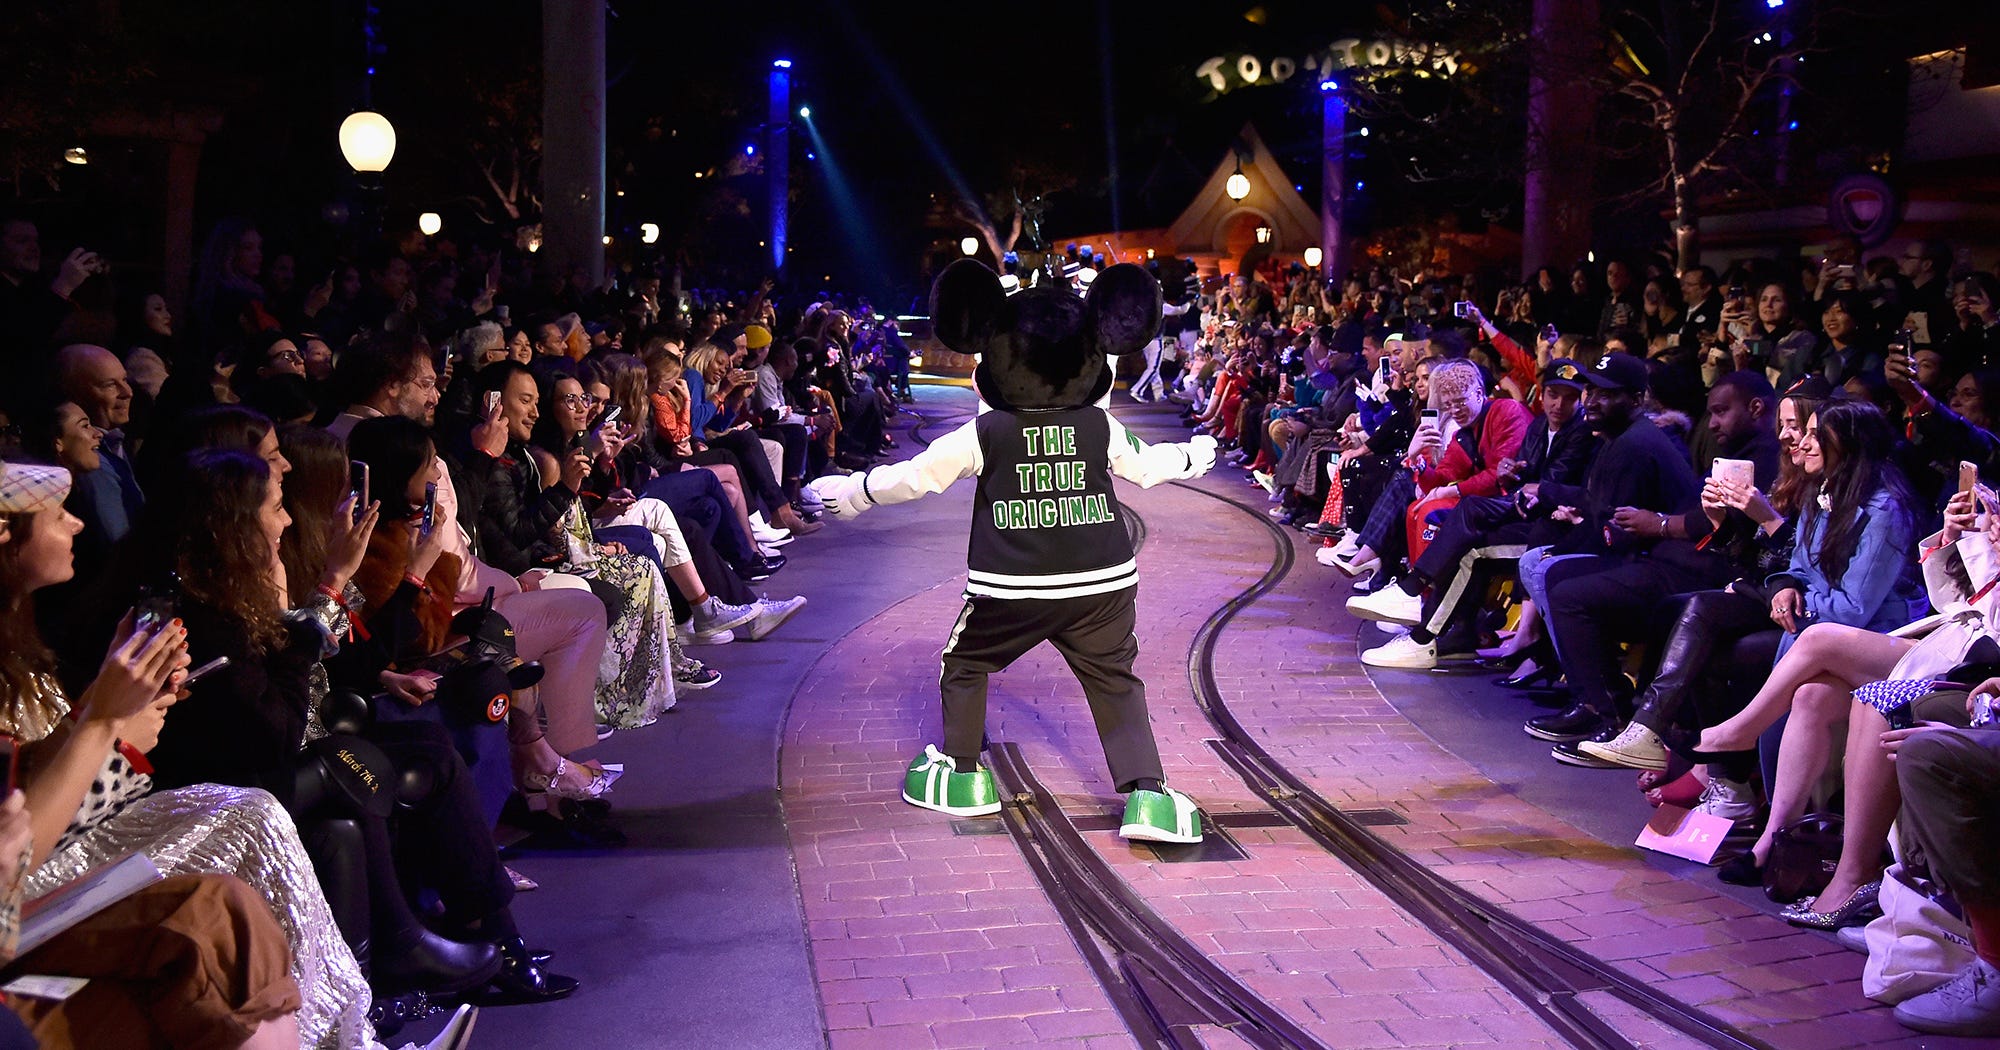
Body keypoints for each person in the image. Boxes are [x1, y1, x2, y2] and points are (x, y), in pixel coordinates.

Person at [811, 261, 1219, 844]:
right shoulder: (1099, 427)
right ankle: (1148, 797)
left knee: (967, 663)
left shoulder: (985, 432)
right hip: (1103, 582)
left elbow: (916, 478)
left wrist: (851, 494)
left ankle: (962, 775)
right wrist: (1197, 454)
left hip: (1012, 585)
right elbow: (1151, 469)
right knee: (1114, 680)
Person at [0, 459, 365, 1047]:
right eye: (57, 514)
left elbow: (37, 767)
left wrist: (105, 714)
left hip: (70, 837)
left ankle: (343, 1027)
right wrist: (103, 726)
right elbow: (279, 727)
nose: (77, 525)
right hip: (35, 884)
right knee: (258, 816)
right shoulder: (205, 608)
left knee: (291, 809)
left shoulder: (22, 641)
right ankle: (342, 1034)